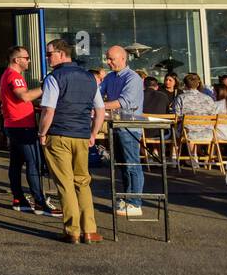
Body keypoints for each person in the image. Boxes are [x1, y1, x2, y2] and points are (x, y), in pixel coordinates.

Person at [38, 39, 106, 244]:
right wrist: (93, 133)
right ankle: (90, 229)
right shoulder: (89, 78)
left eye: (49, 54)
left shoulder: (54, 77)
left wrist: (42, 133)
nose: (47, 57)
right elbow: (100, 110)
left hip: (59, 134)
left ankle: (72, 230)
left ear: (61, 53)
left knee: (65, 183)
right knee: (83, 182)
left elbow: (49, 110)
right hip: (82, 135)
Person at [0, 45, 54, 215]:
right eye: (27, 58)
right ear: (17, 60)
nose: (29, 61)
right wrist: (46, 86)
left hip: (13, 124)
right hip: (22, 126)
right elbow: (23, 96)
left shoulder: (8, 75)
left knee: (16, 164)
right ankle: (39, 202)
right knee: (34, 163)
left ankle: (19, 199)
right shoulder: (14, 76)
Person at [100, 45, 146, 217]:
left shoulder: (132, 78)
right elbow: (98, 92)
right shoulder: (110, 77)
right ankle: (128, 198)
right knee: (123, 164)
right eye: (107, 59)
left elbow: (123, 101)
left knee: (132, 163)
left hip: (129, 126)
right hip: (116, 124)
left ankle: (135, 202)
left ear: (122, 59)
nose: (109, 62)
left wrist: (99, 106)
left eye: (111, 59)